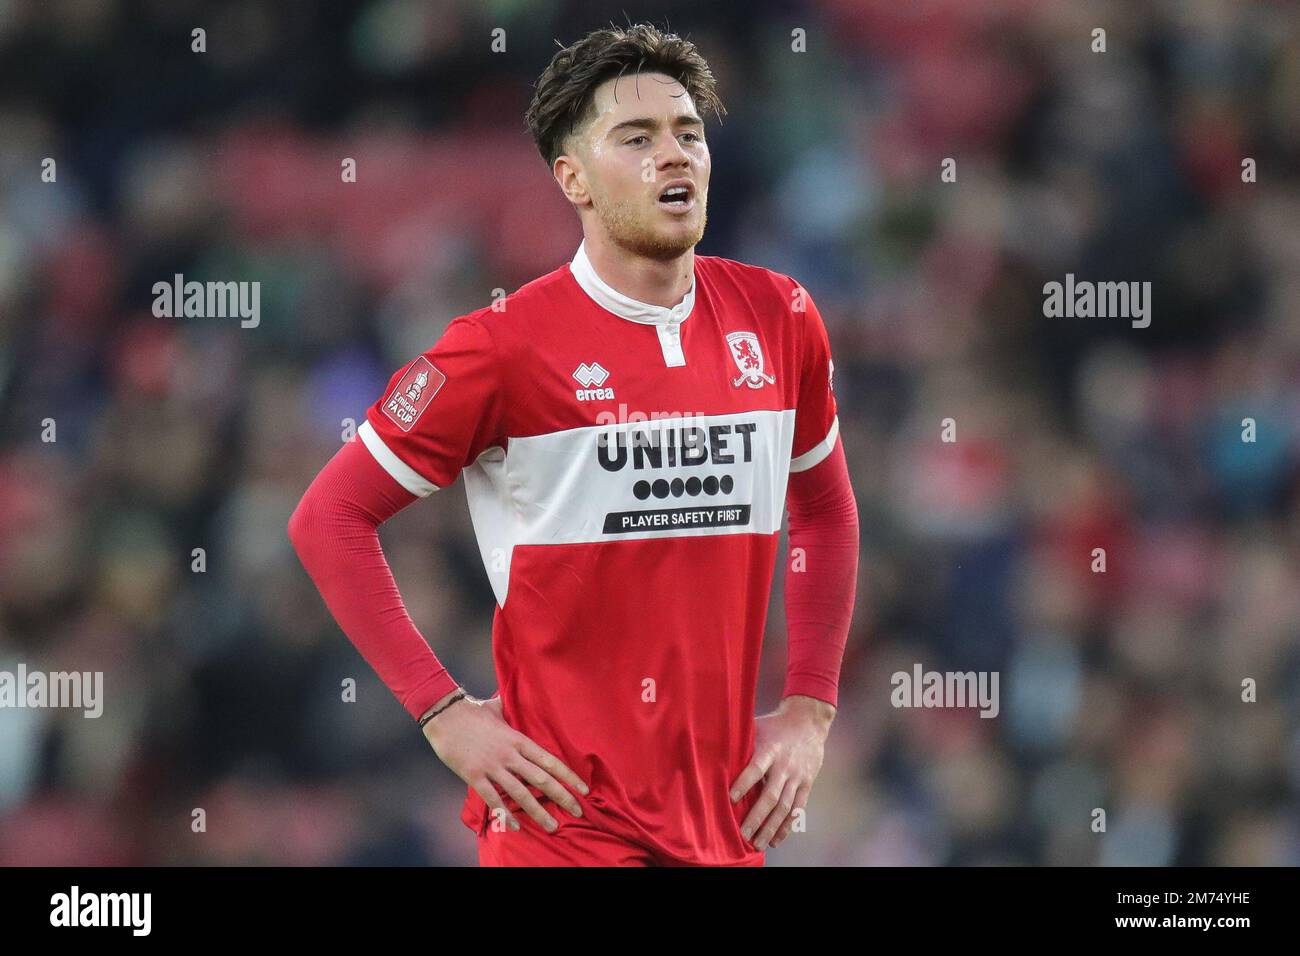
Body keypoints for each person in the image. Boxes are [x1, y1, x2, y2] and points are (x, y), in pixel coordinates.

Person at [288, 22, 859, 866]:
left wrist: (810, 709)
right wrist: (443, 714)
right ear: (574, 179)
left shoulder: (779, 318)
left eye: (688, 133)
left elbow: (826, 511)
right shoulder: (501, 348)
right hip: (562, 824)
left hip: (723, 819)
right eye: (637, 138)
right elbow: (329, 517)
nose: (675, 155)